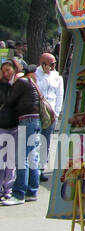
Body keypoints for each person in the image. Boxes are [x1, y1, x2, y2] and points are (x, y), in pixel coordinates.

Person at [0, 58, 39, 205]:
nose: (6, 73)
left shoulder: (20, 82)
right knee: (31, 156)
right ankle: (32, 191)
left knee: (21, 158)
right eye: (3, 71)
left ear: (16, 69)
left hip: (27, 120)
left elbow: (9, 101)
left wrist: (5, 84)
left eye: (8, 70)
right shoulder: (27, 81)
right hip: (33, 120)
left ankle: (19, 194)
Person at [35, 51, 64, 178]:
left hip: (51, 113)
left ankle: (41, 169)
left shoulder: (57, 77)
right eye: (50, 64)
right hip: (37, 113)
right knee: (35, 141)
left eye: (54, 64)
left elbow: (59, 96)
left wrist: (56, 113)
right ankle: (33, 170)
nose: (53, 67)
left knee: (45, 142)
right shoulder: (35, 75)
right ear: (42, 64)